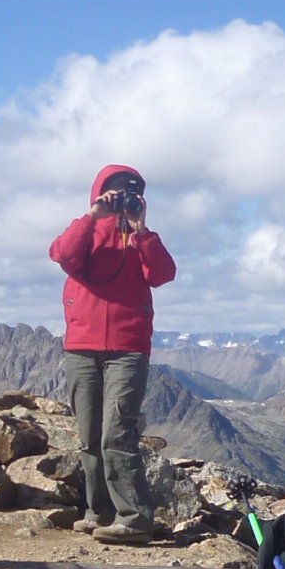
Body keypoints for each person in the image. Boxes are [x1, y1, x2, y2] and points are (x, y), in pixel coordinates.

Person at [49, 164, 176, 544]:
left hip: (127, 348)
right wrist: (93, 216)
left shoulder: (141, 238)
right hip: (82, 348)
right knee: (89, 436)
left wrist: (141, 232)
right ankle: (98, 512)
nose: (122, 200)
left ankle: (135, 518)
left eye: (130, 193)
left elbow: (163, 274)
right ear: (99, 193)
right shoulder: (87, 232)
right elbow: (62, 255)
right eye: (114, 192)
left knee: (117, 434)